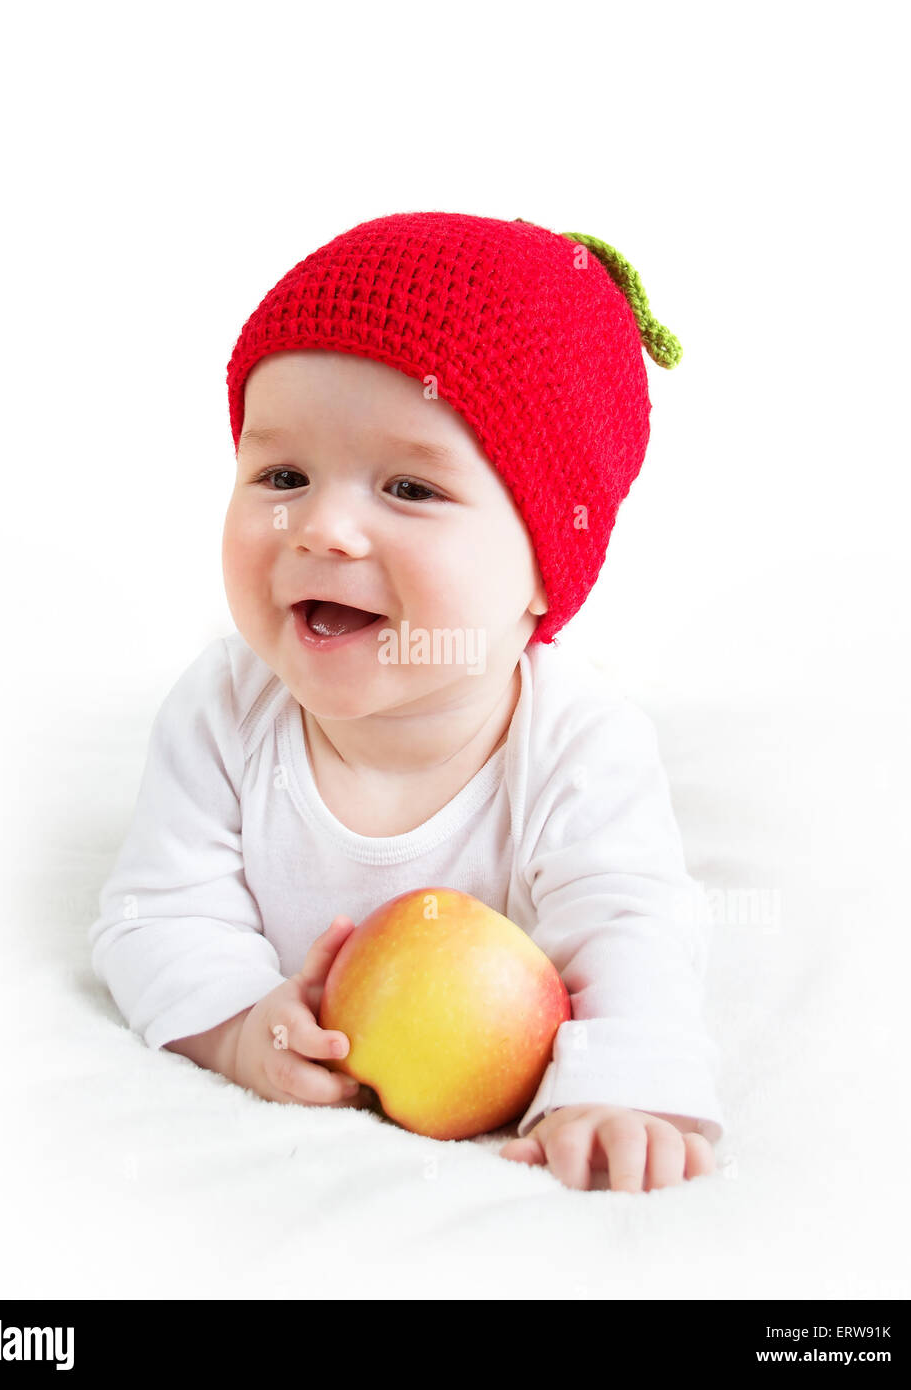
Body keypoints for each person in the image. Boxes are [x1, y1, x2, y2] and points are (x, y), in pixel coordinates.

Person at [89, 211, 725, 1193]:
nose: (324, 528)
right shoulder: (223, 708)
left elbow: (629, 926)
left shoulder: (578, 745)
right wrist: (238, 1024)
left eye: (410, 487)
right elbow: (155, 914)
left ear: (544, 574)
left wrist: (617, 1092)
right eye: (283, 474)